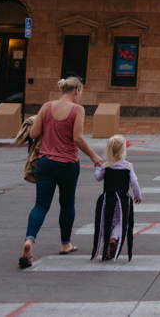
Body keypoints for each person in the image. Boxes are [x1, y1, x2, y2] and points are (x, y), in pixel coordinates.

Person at [18, 76, 104, 269]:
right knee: (67, 203)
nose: (80, 96)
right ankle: (66, 244)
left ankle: (29, 241)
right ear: (76, 91)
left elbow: (33, 134)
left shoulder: (46, 106)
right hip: (67, 164)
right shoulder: (77, 110)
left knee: (41, 205)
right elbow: (78, 138)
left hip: (45, 163)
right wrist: (94, 156)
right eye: (80, 92)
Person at [90, 134, 142, 262]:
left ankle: (107, 250)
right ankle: (114, 238)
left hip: (108, 199)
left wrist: (97, 166)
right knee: (120, 222)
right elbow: (134, 183)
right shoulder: (128, 166)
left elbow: (98, 177)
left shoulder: (106, 166)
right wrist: (137, 196)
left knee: (108, 222)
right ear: (123, 150)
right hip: (122, 200)